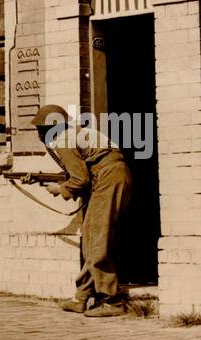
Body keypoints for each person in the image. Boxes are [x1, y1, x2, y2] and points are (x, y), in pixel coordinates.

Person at [32, 103, 132, 317]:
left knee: (96, 240)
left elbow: (80, 179)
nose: (39, 134)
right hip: (111, 176)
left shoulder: (63, 140)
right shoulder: (75, 133)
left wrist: (60, 189)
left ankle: (112, 301)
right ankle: (81, 297)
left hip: (107, 178)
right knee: (92, 240)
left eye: (41, 129)